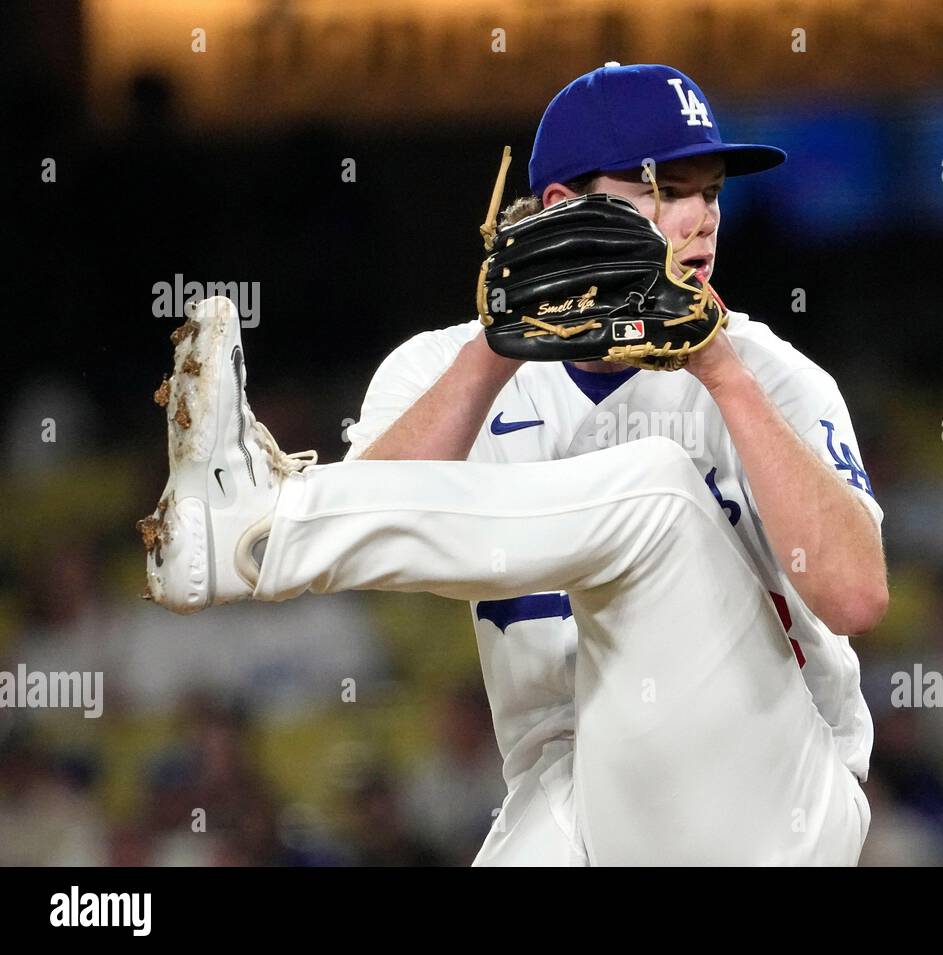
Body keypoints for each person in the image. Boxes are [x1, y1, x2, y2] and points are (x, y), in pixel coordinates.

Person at [138, 63, 888, 866]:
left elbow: (856, 598)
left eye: (710, 191)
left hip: (769, 795)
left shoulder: (771, 375)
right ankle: (259, 527)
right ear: (567, 211)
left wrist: (720, 374)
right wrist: (496, 348)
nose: (701, 218)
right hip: (576, 805)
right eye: (667, 189)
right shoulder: (445, 368)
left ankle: (258, 531)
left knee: (660, 490)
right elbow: (377, 526)